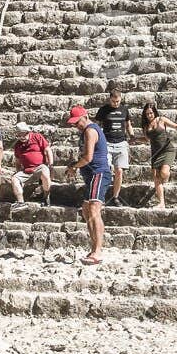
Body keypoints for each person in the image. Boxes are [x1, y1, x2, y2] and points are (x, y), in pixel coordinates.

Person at [66, 105, 109, 264]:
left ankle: (98, 251)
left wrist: (73, 166)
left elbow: (88, 158)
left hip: (99, 173)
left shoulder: (91, 131)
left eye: (77, 122)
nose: (76, 125)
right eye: (74, 123)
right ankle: (94, 247)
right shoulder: (85, 131)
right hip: (91, 175)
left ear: (86, 116)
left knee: (93, 209)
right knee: (86, 209)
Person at [139, 103, 177, 208]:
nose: (149, 115)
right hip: (155, 153)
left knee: (164, 173)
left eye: (151, 113)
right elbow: (147, 139)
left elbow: (176, 126)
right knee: (156, 178)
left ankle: (166, 177)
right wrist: (136, 139)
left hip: (167, 150)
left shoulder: (162, 120)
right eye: (147, 114)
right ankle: (161, 203)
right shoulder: (146, 126)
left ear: (154, 112)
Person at [94, 87, 133, 208]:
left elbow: (128, 124)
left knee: (119, 171)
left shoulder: (124, 110)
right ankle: (101, 196)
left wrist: (132, 135)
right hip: (107, 143)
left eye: (118, 101)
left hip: (121, 143)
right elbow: (96, 126)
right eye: (113, 101)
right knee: (105, 170)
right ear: (110, 99)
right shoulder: (103, 110)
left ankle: (115, 197)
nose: (116, 104)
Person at [9, 122, 54, 204]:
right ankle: (20, 202)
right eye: (19, 135)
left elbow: (48, 150)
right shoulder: (18, 145)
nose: (21, 137)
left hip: (40, 166)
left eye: (23, 135)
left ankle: (46, 196)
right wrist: (18, 171)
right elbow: (18, 161)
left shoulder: (37, 137)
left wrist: (51, 165)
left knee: (45, 173)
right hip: (26, 170)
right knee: (14, 179)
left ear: (28, 132)